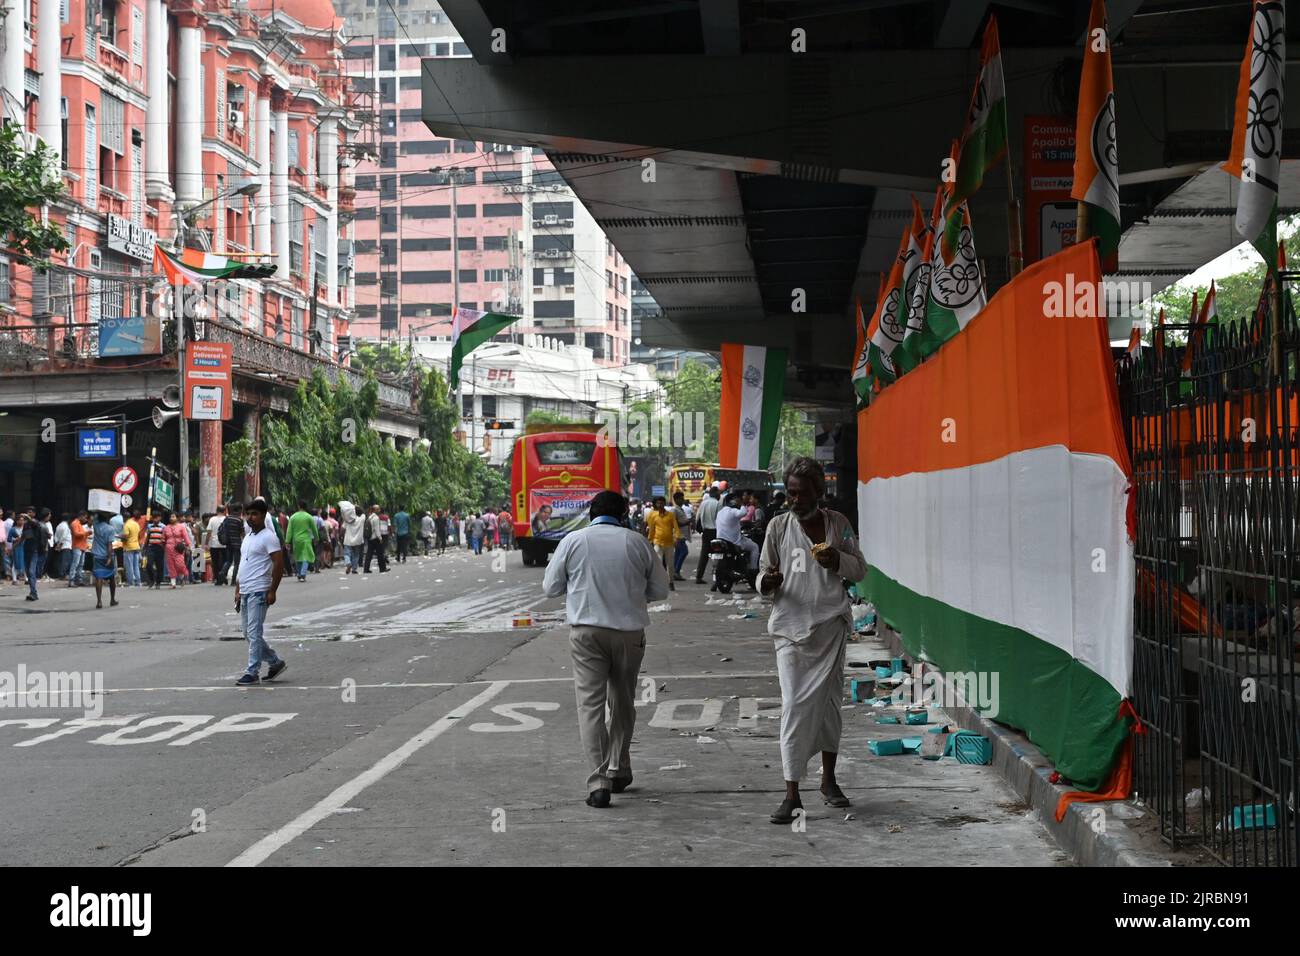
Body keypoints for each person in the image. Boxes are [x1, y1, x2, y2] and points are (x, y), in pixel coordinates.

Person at [759, 457, 867, 824]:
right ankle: (791, 792)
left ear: (819, 493)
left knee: (829, 707)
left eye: (803, 494)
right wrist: (767, 582)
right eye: (791, 493)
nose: (795, 500)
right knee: (794, 706)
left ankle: (828, 780)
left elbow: (859, 568)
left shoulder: (838, 525)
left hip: (831, 627)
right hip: (790, 629)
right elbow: (761, 575)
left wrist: (836, 558)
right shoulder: (777, 527)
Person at [543, 491, 668, 808]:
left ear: (590, 513)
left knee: (590, 707)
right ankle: (619, 767)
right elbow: (660, 589)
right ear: (624, 514)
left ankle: (598, 782)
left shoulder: (574, 541)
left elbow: (550, 588)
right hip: (629, 633)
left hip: (587, 633)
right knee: (623, 702)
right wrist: (630, 596)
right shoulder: (636, 542)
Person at [233, 497, 287, 686]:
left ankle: (252, 671)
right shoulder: (247, 538)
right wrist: (238, 589)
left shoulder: (269, 537)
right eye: (248, 514)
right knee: (248, 634)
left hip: (259, 591)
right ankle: (275, 662)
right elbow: (243, 565)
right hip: (246, 590)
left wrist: (272, 590)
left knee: (254, 633)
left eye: (254, 514)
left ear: (263, 515)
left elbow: (278, 564)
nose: (250, 518)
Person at [713, 491, 759, 590]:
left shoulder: (720, 513)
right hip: (733, 541)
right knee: (755, 547)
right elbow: (743, 513)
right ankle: (753, 569)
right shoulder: (732, 511)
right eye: (736, 501)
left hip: (721, 540)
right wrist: (742, 504)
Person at [644, 495, 680, 592]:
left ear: (664, 503)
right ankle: (659, 583)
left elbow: (676, 527)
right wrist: (649, 541)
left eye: (662, 502)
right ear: (655, 504)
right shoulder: (652, 515)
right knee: (658, 563)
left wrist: (677, 537)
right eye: (658, 503)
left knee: (670, 565)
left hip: (669, 543)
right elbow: (651, 530)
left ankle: (671, 582)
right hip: (657, 542)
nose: (660, 505)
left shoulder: (671, 515)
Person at [89, 511, 120, 609]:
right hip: (106, 556)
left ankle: (99, 601)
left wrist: (97, 511)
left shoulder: (96, 526)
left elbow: (93, 517)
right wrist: (110, 557)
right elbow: (109, 545)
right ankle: (112, 599)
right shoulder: (110, 529)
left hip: (97, 555)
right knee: (111, 577)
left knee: (99, 577)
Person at [21, 509, 50, 601]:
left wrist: (28, 517)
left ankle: (34, 593)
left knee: (31, 571)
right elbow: (23, 537)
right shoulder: (26, 525)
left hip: (34, 551)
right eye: (27, 512)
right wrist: (13, 547)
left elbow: (34, 523)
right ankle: (32, 592)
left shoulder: (37, 524)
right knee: (29, 573)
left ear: (34, 514)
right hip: (26, 550)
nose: (28, 514)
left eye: (30, 512)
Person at [693, 487, 721, 584]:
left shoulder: (703, 503)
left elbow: (698, 518)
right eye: (719, 493)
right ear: (715, 493)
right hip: (715, 531)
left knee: (704, 555)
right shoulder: (717, 504)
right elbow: (720, 518)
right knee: (718, 554)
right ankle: (717, 577)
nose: (719, 495)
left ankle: (699, 576)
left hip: (706, 532)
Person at [287, 501, 318, 582]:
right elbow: (314, 529)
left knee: (298, 557)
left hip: (296, 540)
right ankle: (302, 574)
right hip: (306, 539)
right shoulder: (309, 517)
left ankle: (299, 573)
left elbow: (289, 530)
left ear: (298, 506)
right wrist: (316, 538)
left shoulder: (293, 517)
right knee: (306, 557)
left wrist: (287, 541)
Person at [218, 503, 245, 585]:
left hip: (228, 543)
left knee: (228, 560)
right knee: (237, 563)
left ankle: (222, 572)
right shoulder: (239, 520)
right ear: (239, 510)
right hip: (237, 543)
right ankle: (233, 581)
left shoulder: (227, 519)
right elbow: (242, 533)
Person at [162, 512, 191, 588]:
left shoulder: (181, 527)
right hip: (169, 548)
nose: (171, 518)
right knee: (171, 565)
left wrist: (188, 545)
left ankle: (181, 578)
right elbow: (163, 539)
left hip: (179, 548)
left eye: (173, 517)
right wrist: (163, 545)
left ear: (176, 518)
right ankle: (173, 583)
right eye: (170, 517)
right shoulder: (166, 528)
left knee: (180, 564)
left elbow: (185, 536)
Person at [671, 491, 692, 581]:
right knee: (684, 552)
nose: (683, 500)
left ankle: (674, 572)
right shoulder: (674, 510)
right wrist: (686, 522)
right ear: (676, 500)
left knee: (678, 553)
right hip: (679, 535)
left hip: (682, 534)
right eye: (681, 499)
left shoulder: (680, 509)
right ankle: (676, 572)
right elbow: (675, 523)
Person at [363, 504, 388, 573]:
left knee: (369, 554)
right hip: (375, 538)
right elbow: (377, 530)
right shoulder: (376, 518)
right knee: (380, 554)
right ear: (376, 510)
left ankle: (366, 569)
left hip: (370, 538)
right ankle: (382, 568)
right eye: (378, 509)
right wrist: (380, 538)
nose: (379, 510)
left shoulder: (370, 517)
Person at [205, 506, 227, 586]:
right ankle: (223, 576)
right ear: (224, 511)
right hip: (225, 544)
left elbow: (209, 532)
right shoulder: (226, 519)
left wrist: (206, 543)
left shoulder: (212, 519)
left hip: (214, 544)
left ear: (216, 510)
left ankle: (218, 578)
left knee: (215, 562)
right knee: (225, 561)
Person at [68, 511, 90, 587]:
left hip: (82, 546)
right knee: (75, 563)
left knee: (80, 564)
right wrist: (86, 533)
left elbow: (81, 535)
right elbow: (76, 534)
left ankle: (79, 580)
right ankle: (71, 580)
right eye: (85, 517)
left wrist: (86, 534)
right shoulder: (75, 523)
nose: (86, 519)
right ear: (81, 516)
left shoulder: (80, 524)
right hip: (77, 546)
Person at [341, 500, 364, 574]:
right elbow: (362, 513)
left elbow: (343, 528)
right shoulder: (362, 518)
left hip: (348, 539)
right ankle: (354, 569)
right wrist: (355, 507)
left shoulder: (348, 519)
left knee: (347, 553)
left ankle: (348, 563)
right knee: (356, 554)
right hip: (357, 540)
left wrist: (341, 535)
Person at [144, 513, 167, 589]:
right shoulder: (149, 526)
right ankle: (152, 579)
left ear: (160, 518)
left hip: (160, 548)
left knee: (160, 566)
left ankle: (158, 582)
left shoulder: (163, 526)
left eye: (156, 518)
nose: (155, 520)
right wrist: (145, 546)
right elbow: (148, 536)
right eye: (154, 518)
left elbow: (165, 537)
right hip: (151, 547)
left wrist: (164, 546)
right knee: (149, 564)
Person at [121, 510, 143, 587]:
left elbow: (126, 537)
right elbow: (139, 536)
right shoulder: (136, 524)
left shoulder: (126, 525)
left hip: (129, 547)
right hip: (136, 546)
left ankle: (131, 582)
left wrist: (120, 537)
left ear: (124, 517)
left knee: (129, 566)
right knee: (136, 565)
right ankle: (138, 581)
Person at [51, 513, 72, 583]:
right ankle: (62, 574)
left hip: (60, 545)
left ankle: (60, 573)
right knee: (65, 561)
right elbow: (64, 536)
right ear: (68, 519)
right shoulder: (66, 526)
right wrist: (60, 544)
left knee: (61, 560)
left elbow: (56, 535)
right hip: (65, 545)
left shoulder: (58, 526)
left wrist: (57, 543)